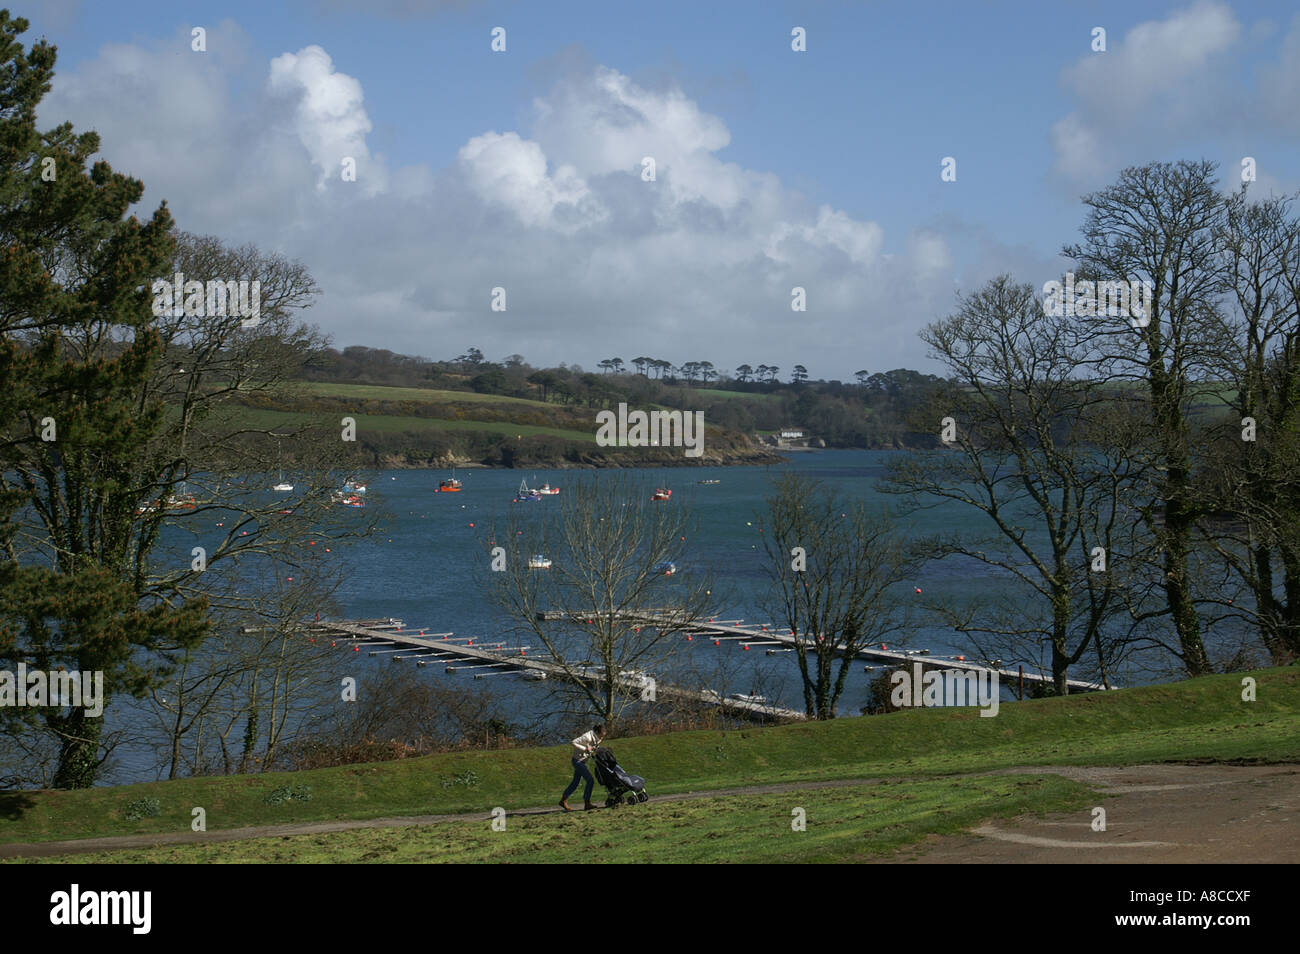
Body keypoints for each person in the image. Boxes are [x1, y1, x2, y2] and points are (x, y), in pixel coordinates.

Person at [559, 723, 605, 812]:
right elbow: (573, 742)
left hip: (583, 761)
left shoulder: (596, 738)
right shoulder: (587, 737)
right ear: (597, 733)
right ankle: (587, 803)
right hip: (577, 761)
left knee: (575, 783)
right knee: (590, 780)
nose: (602, 738)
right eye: (601, 736)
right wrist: (585, 749)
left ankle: (563, 800)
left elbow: (594, 745)